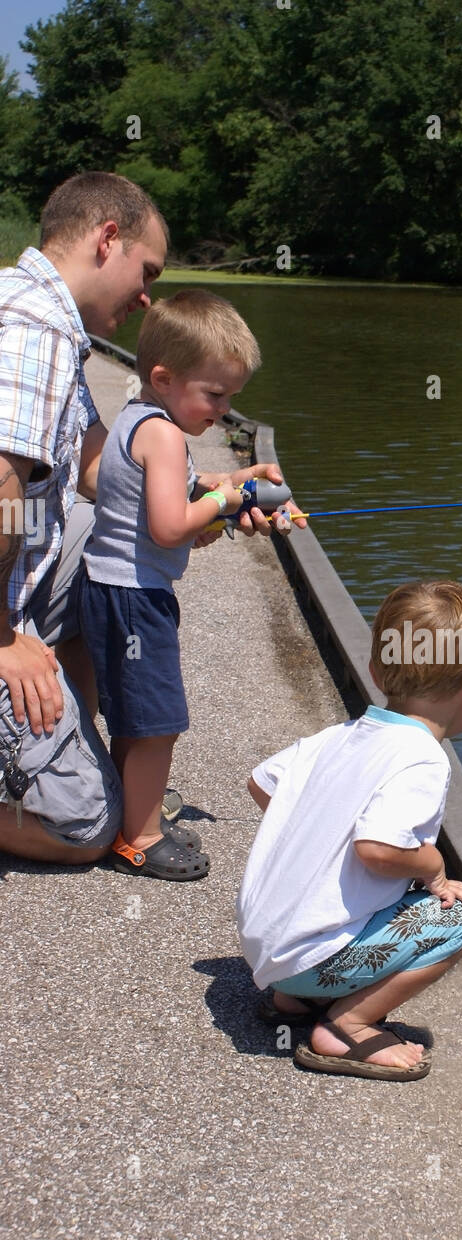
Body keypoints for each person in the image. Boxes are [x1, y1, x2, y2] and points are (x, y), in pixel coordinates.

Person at [0, 171, 302, 865]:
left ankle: (75, 728)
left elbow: (101, 473)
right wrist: (3, 639)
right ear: (108, 238)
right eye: (147, 272)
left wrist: (215, 491)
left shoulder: (54, 327)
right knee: (86, 825)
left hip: (25, 558)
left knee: (102, 534)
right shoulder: (29, 328)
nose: (146, 296)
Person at [237, 579, 462, 1081]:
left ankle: (292, 1001)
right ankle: (348, 1026)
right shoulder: (423, 758)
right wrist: (434, 866)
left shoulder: (339, 736)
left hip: (266, 947)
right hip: (309, 957)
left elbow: (261, 783)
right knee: (461, 917)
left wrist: (319, 831)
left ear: (376, 668)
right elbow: (378, 848)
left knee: (370, 898)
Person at [78, 289, 278, 878]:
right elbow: (170, 527)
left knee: (136, 719)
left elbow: (165, 513)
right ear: (164, 378)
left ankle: (130, 820)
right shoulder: (165, 436)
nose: (220, 409)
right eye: (214, 395)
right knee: (158, 724)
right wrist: (223, 498)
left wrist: (229, 489)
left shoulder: (139, 421)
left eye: (231, 398)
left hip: (114, 590)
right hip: (137, 600)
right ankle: (138, 838)